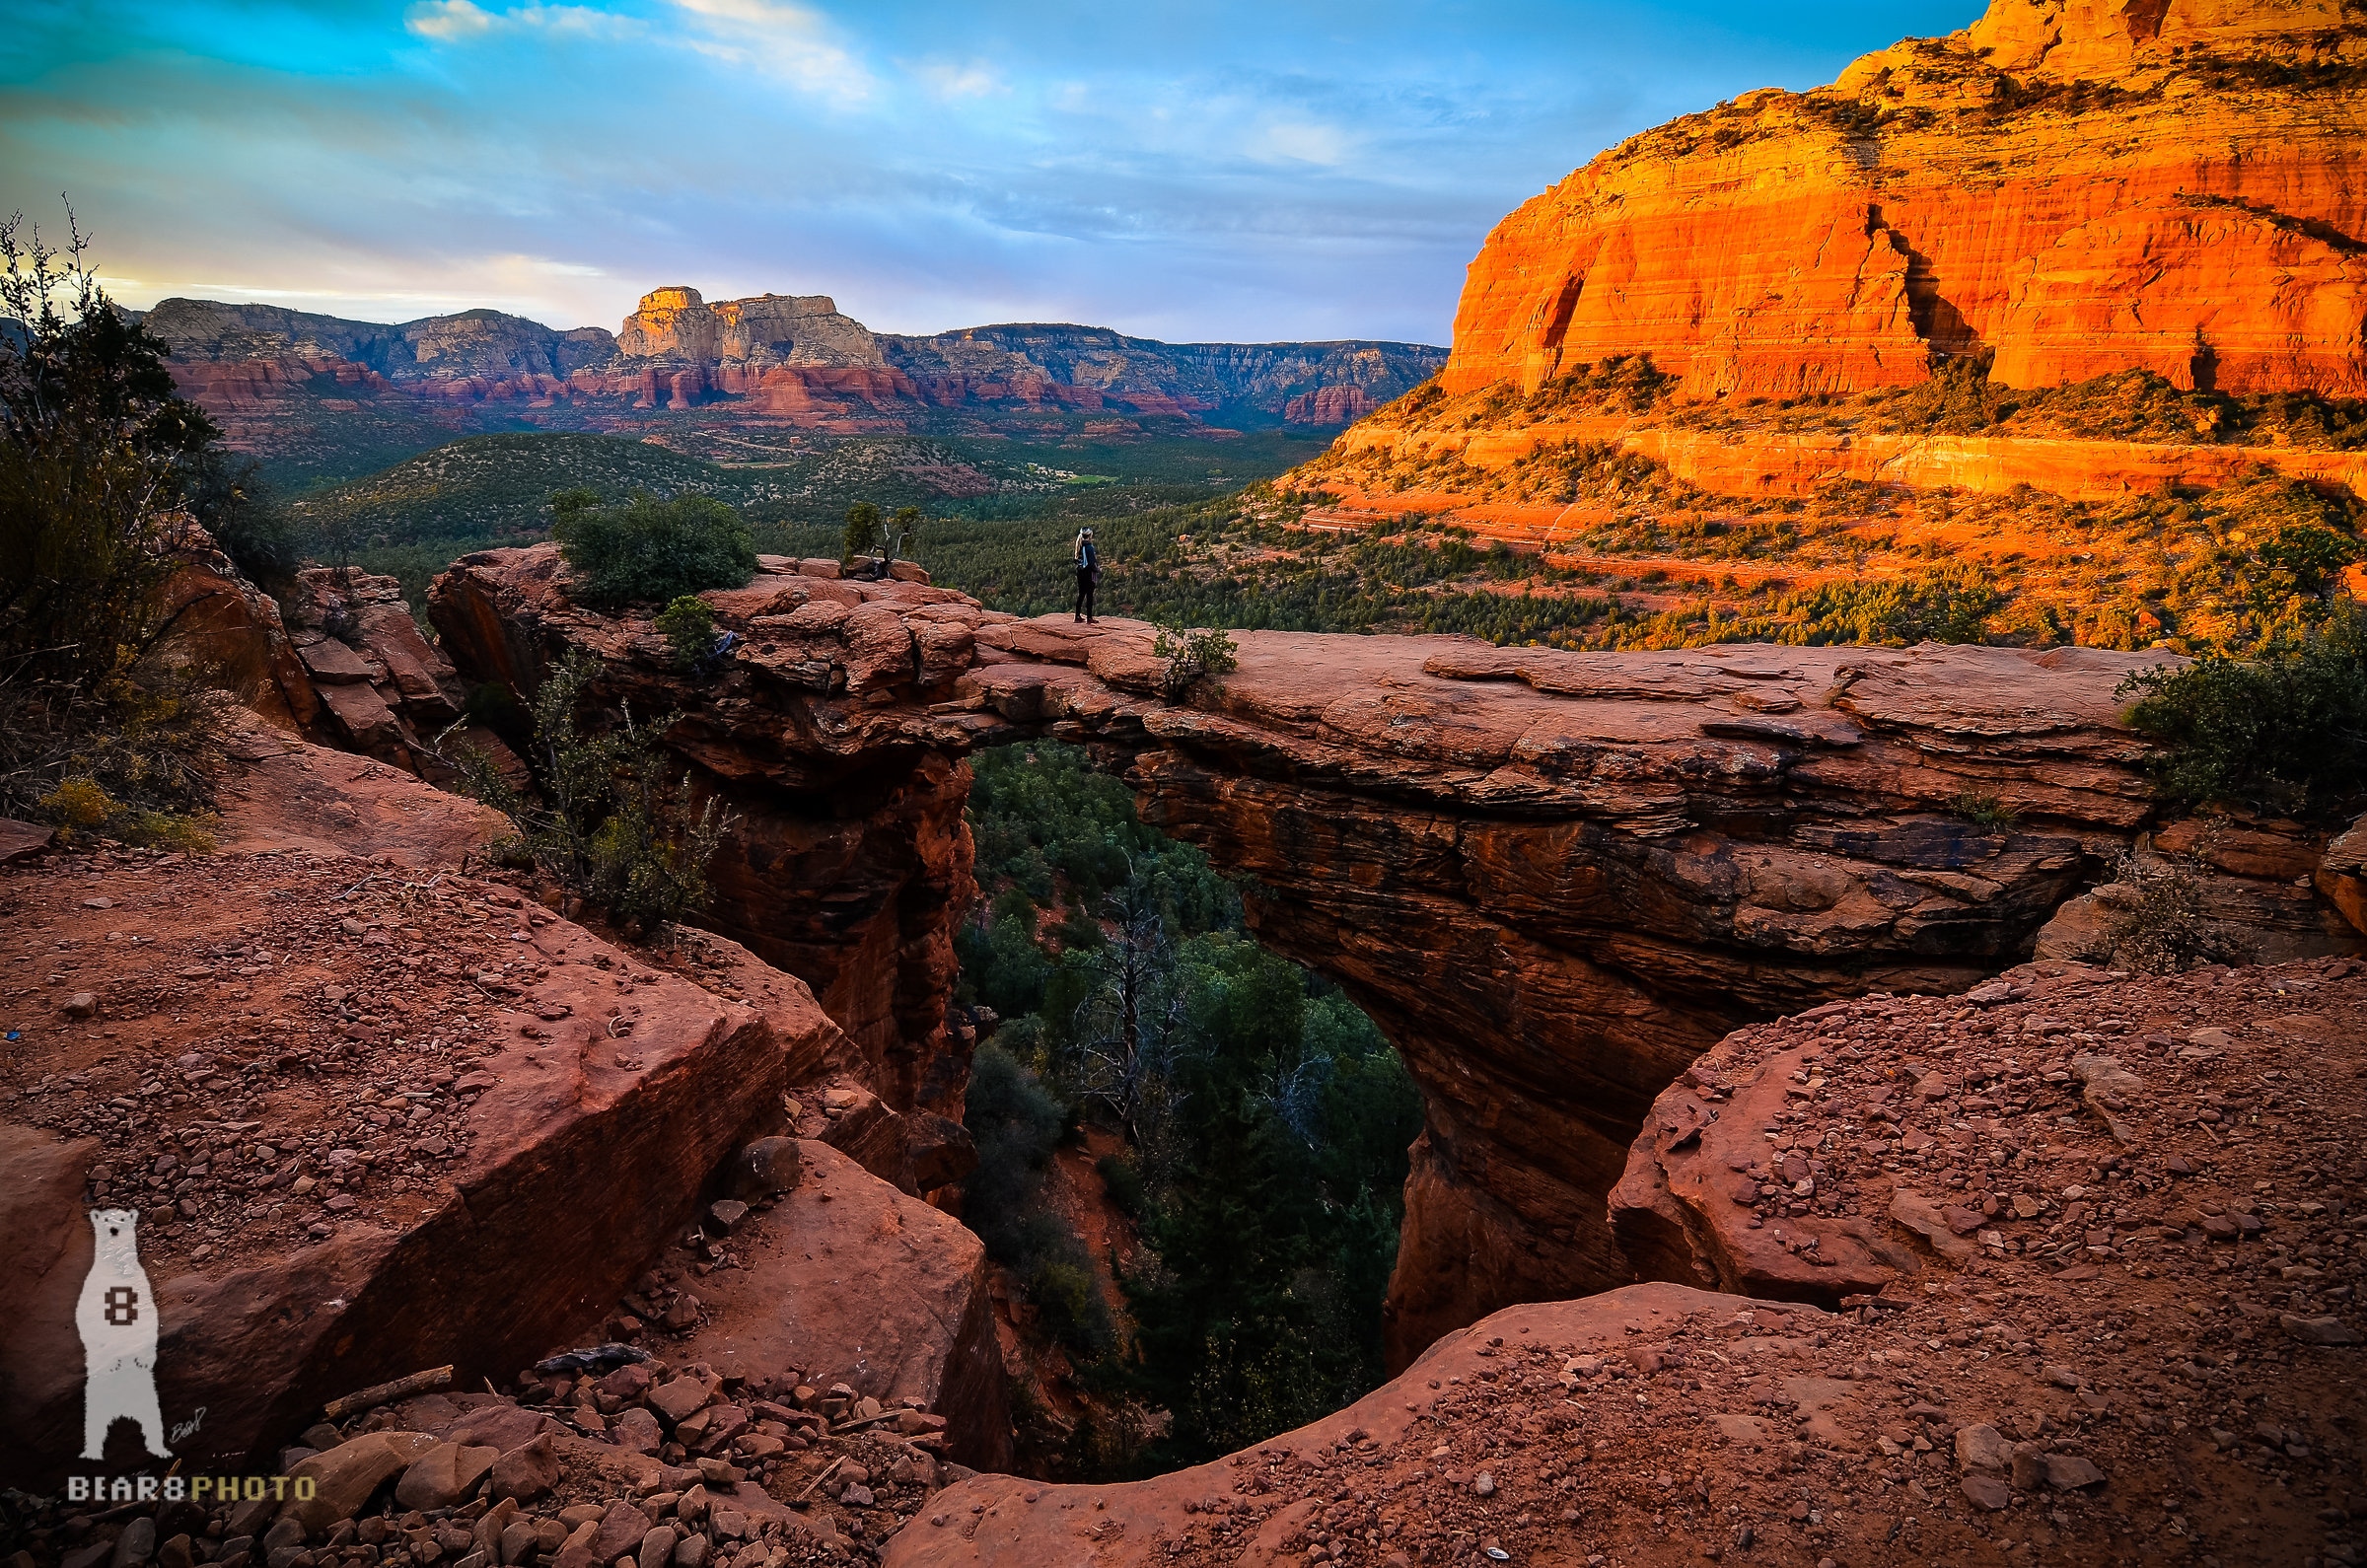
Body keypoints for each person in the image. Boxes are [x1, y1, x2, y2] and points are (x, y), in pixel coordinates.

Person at [1073, 527, 1100, 623]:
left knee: (1081, 594)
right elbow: (1092, 563)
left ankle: (1077, 616)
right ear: (1090, 535)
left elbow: (1076, 560)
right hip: (1088, 573)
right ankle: (1089, 618)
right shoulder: (1089, 547)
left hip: (1080, 572)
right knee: (1089, 595)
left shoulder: (1079, 546)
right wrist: (1097, 570)